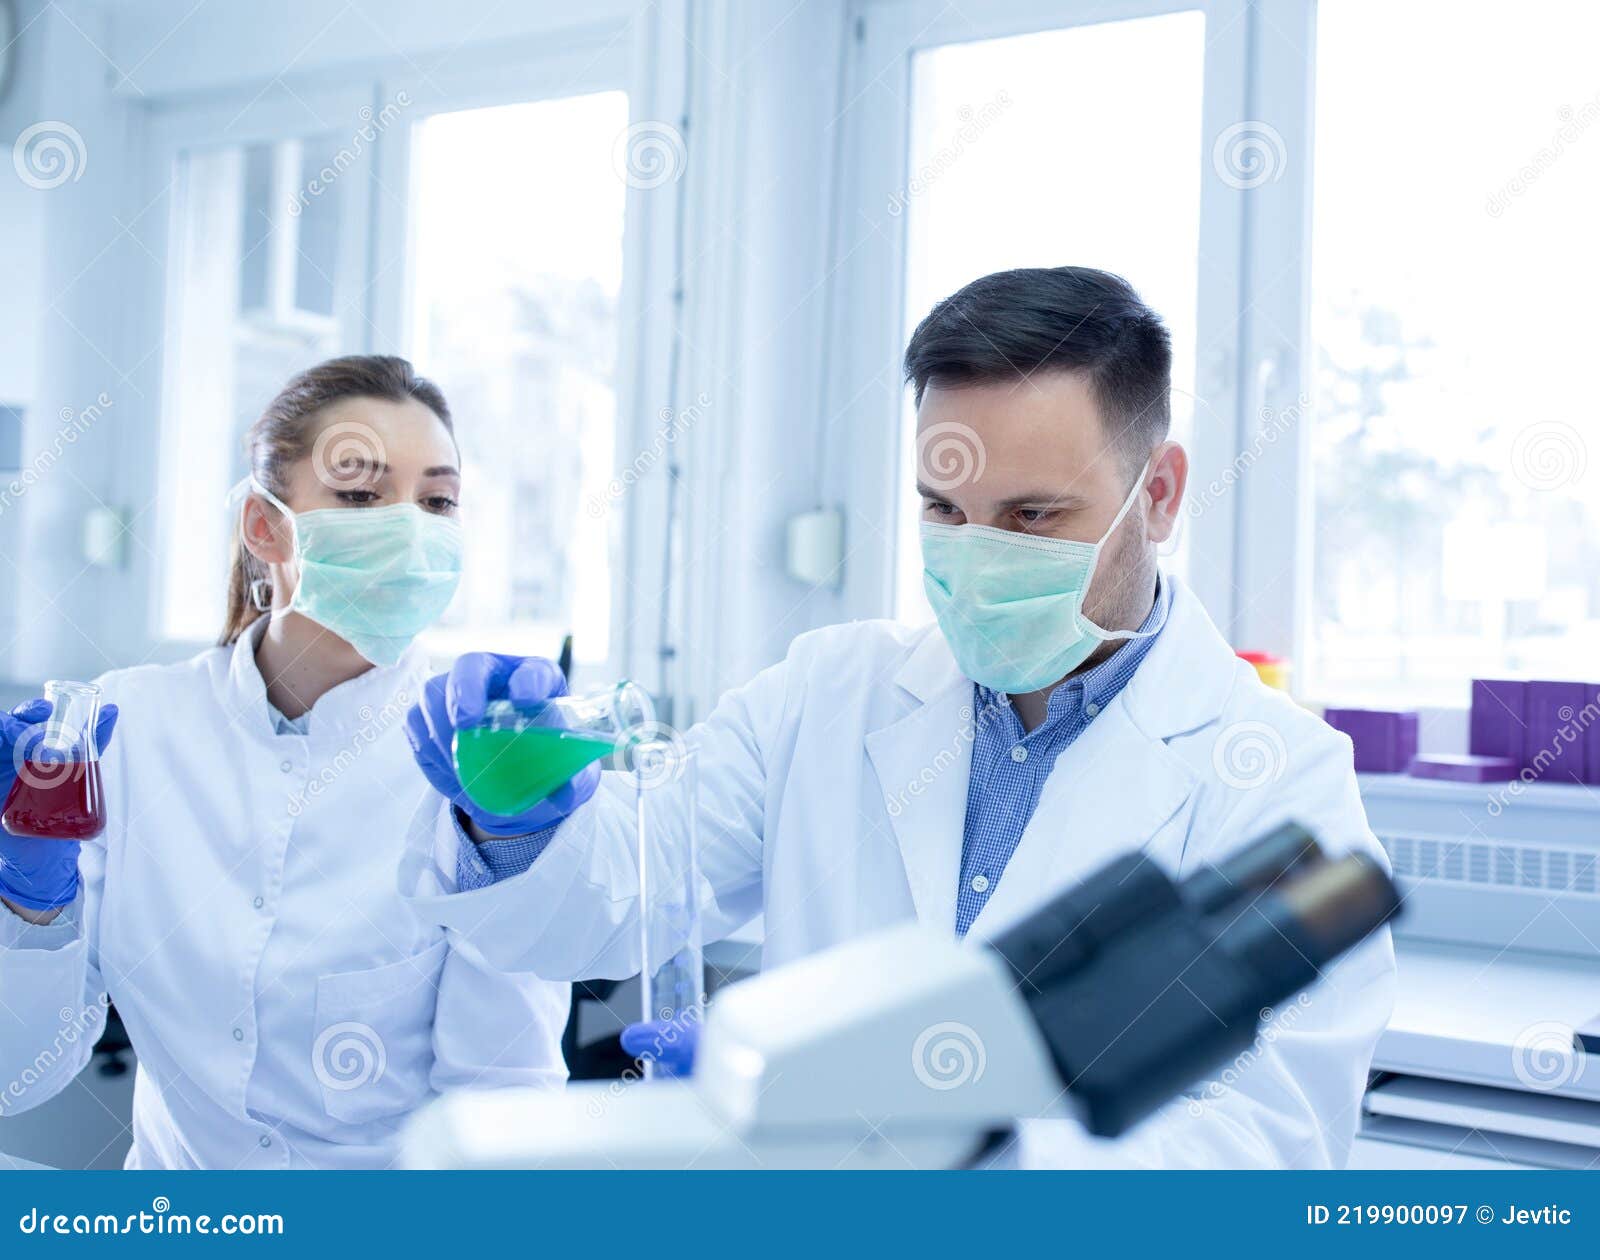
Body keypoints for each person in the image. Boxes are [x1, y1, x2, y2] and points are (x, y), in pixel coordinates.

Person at [400, 268, 1396, 1168]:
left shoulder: (1276, 774)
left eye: (1032, 517)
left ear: (1162, 493)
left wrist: (946, 1148)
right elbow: (620, 903)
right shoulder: (828, 691)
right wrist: (515, 824)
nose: (976, 553)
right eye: (943, 511)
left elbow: (1267, 1142)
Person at [0, 356, 568, 1169]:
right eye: (362, 494)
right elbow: (15, 1075)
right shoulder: (127, 730)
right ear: (266, 528)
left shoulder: (477, 759)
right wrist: (29, 908)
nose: (411, 529)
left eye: (437, 500)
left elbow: (503, 1101)